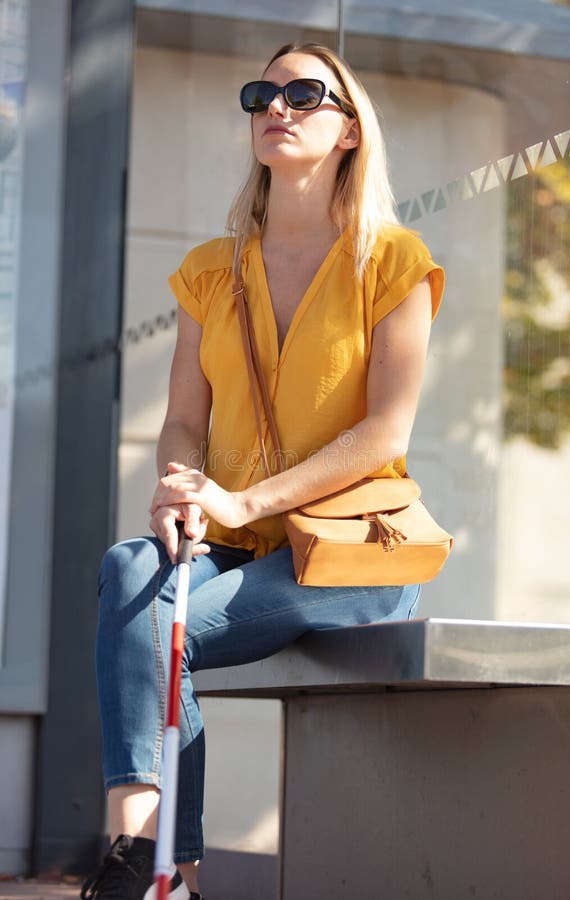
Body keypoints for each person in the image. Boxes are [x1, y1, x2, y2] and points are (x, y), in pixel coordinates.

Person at [82, 41, 444, 900]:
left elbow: (383, 429)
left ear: (350, 130)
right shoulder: (211, 271)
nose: (275, 108)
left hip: (352, 553)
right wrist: (179, 485)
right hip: (237, 546)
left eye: (303, 94)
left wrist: (242, 495)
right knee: (131, 564)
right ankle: (146, 852)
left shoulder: (391, 261)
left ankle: (158, 869)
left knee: (157, 631)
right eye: (261, 94)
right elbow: (181, 420)